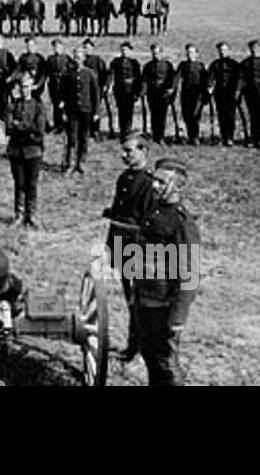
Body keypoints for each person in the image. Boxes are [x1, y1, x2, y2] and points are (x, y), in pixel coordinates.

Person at [132, 156, 201, 386]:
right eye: (155, 180)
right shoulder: (155, 212)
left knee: (166, 363)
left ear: (178, 187)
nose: (154, 186)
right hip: (145, 297)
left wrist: (178, 318)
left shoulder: (181, 223)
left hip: (164, 305)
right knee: (149, 355)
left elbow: (189, 273)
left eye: (162, 183)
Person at [103, 131, 157, 361]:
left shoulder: (149, 183)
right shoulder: (124, 178)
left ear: (143, 151)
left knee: (139, 303)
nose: (124, 155)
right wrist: (110, 247)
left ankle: (139, 347)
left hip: (137, 251)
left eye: (129, 151)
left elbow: (148, 224)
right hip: (122, 248)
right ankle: (134, 345)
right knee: (130, 299)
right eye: (123, 151)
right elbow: (118, 212)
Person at [5, 69, 48, 228]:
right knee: (19, 183)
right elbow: (6, 129)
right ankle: (19, 214)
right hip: (16, 150)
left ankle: (32, 214)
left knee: (32, 184)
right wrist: (25, 128)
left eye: (27, 86)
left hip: (33, 151)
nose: (24, 90)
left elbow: (39, 130)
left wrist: (19, 125)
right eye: (22, 86)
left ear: (32, 86)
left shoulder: (38, 107)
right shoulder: (12, 105)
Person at [64, 44, 100, 175]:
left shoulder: (90, 74)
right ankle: (70, 163)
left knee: (84, 138)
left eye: (79, 57)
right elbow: (65, 94)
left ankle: (81, 163)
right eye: (75, 57)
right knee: (72, 138)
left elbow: (96, 94)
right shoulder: (69, 74)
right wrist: (64, 111)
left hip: (86, 110)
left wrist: (96, 112)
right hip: (72, 111)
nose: (77, 60)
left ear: (84, 58)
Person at [207, 42, 240, 146]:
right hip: (219, 93)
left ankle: (230, 137)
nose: (222, 52)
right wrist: (209, 86)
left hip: (231, 93)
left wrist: (238, 90)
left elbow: (239, 78)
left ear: (229, 51)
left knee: (230, 115)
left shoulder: (234, 64)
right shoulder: (215, 64)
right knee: (221, 115)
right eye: (220, 50)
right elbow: (210, 77)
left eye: (224, 50)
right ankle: (223, 136)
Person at [142, 44, 175, 145]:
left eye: (157, 53)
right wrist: (143, 91)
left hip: (163, 92)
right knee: (153, 114)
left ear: (161, 53)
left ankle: (161, 136)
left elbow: (172, 78)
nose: (155, 55)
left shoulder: (167, 65)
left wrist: (170, 89)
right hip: (152, 92)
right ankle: (155, 135)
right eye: (153, 53)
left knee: (162, 115)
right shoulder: (148, 66)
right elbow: (144, 80)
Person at [175, 44, 207, 145]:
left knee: (195, 115)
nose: (190, 55)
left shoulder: (200, 66)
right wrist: (172, 88)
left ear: (196, 54)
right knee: (186, 115)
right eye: (188, 52)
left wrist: (207, 94)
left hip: (197, 95)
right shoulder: (182, 65)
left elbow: (206, 81)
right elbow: (177, 77)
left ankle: (195, 136)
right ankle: (190, 136)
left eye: (192, 52)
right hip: (185, 94)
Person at [110, 42, 143, 137]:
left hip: (130, 89)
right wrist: (108, 86)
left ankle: (128, 130)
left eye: (126, 50)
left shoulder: (134, 63)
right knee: (121, 110)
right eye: (122, 50)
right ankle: (122, 130)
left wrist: (138, 91)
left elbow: (138, 78)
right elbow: (111, 74)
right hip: (119, 89)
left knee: (129, 110)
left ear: (130, 51)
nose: (124, 52)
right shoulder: (116, 62)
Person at [80, 38, 109, 139]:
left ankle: (95, 130)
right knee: (86, 110)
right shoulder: (81, 60)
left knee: (96, 109)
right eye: (84, 48)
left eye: (88, 48)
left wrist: (105, 86)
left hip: (96, 88)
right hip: (85, 90)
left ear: (92, 48)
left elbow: (104, 74)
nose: (86, 50)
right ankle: (86, 130)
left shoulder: (98, 60)